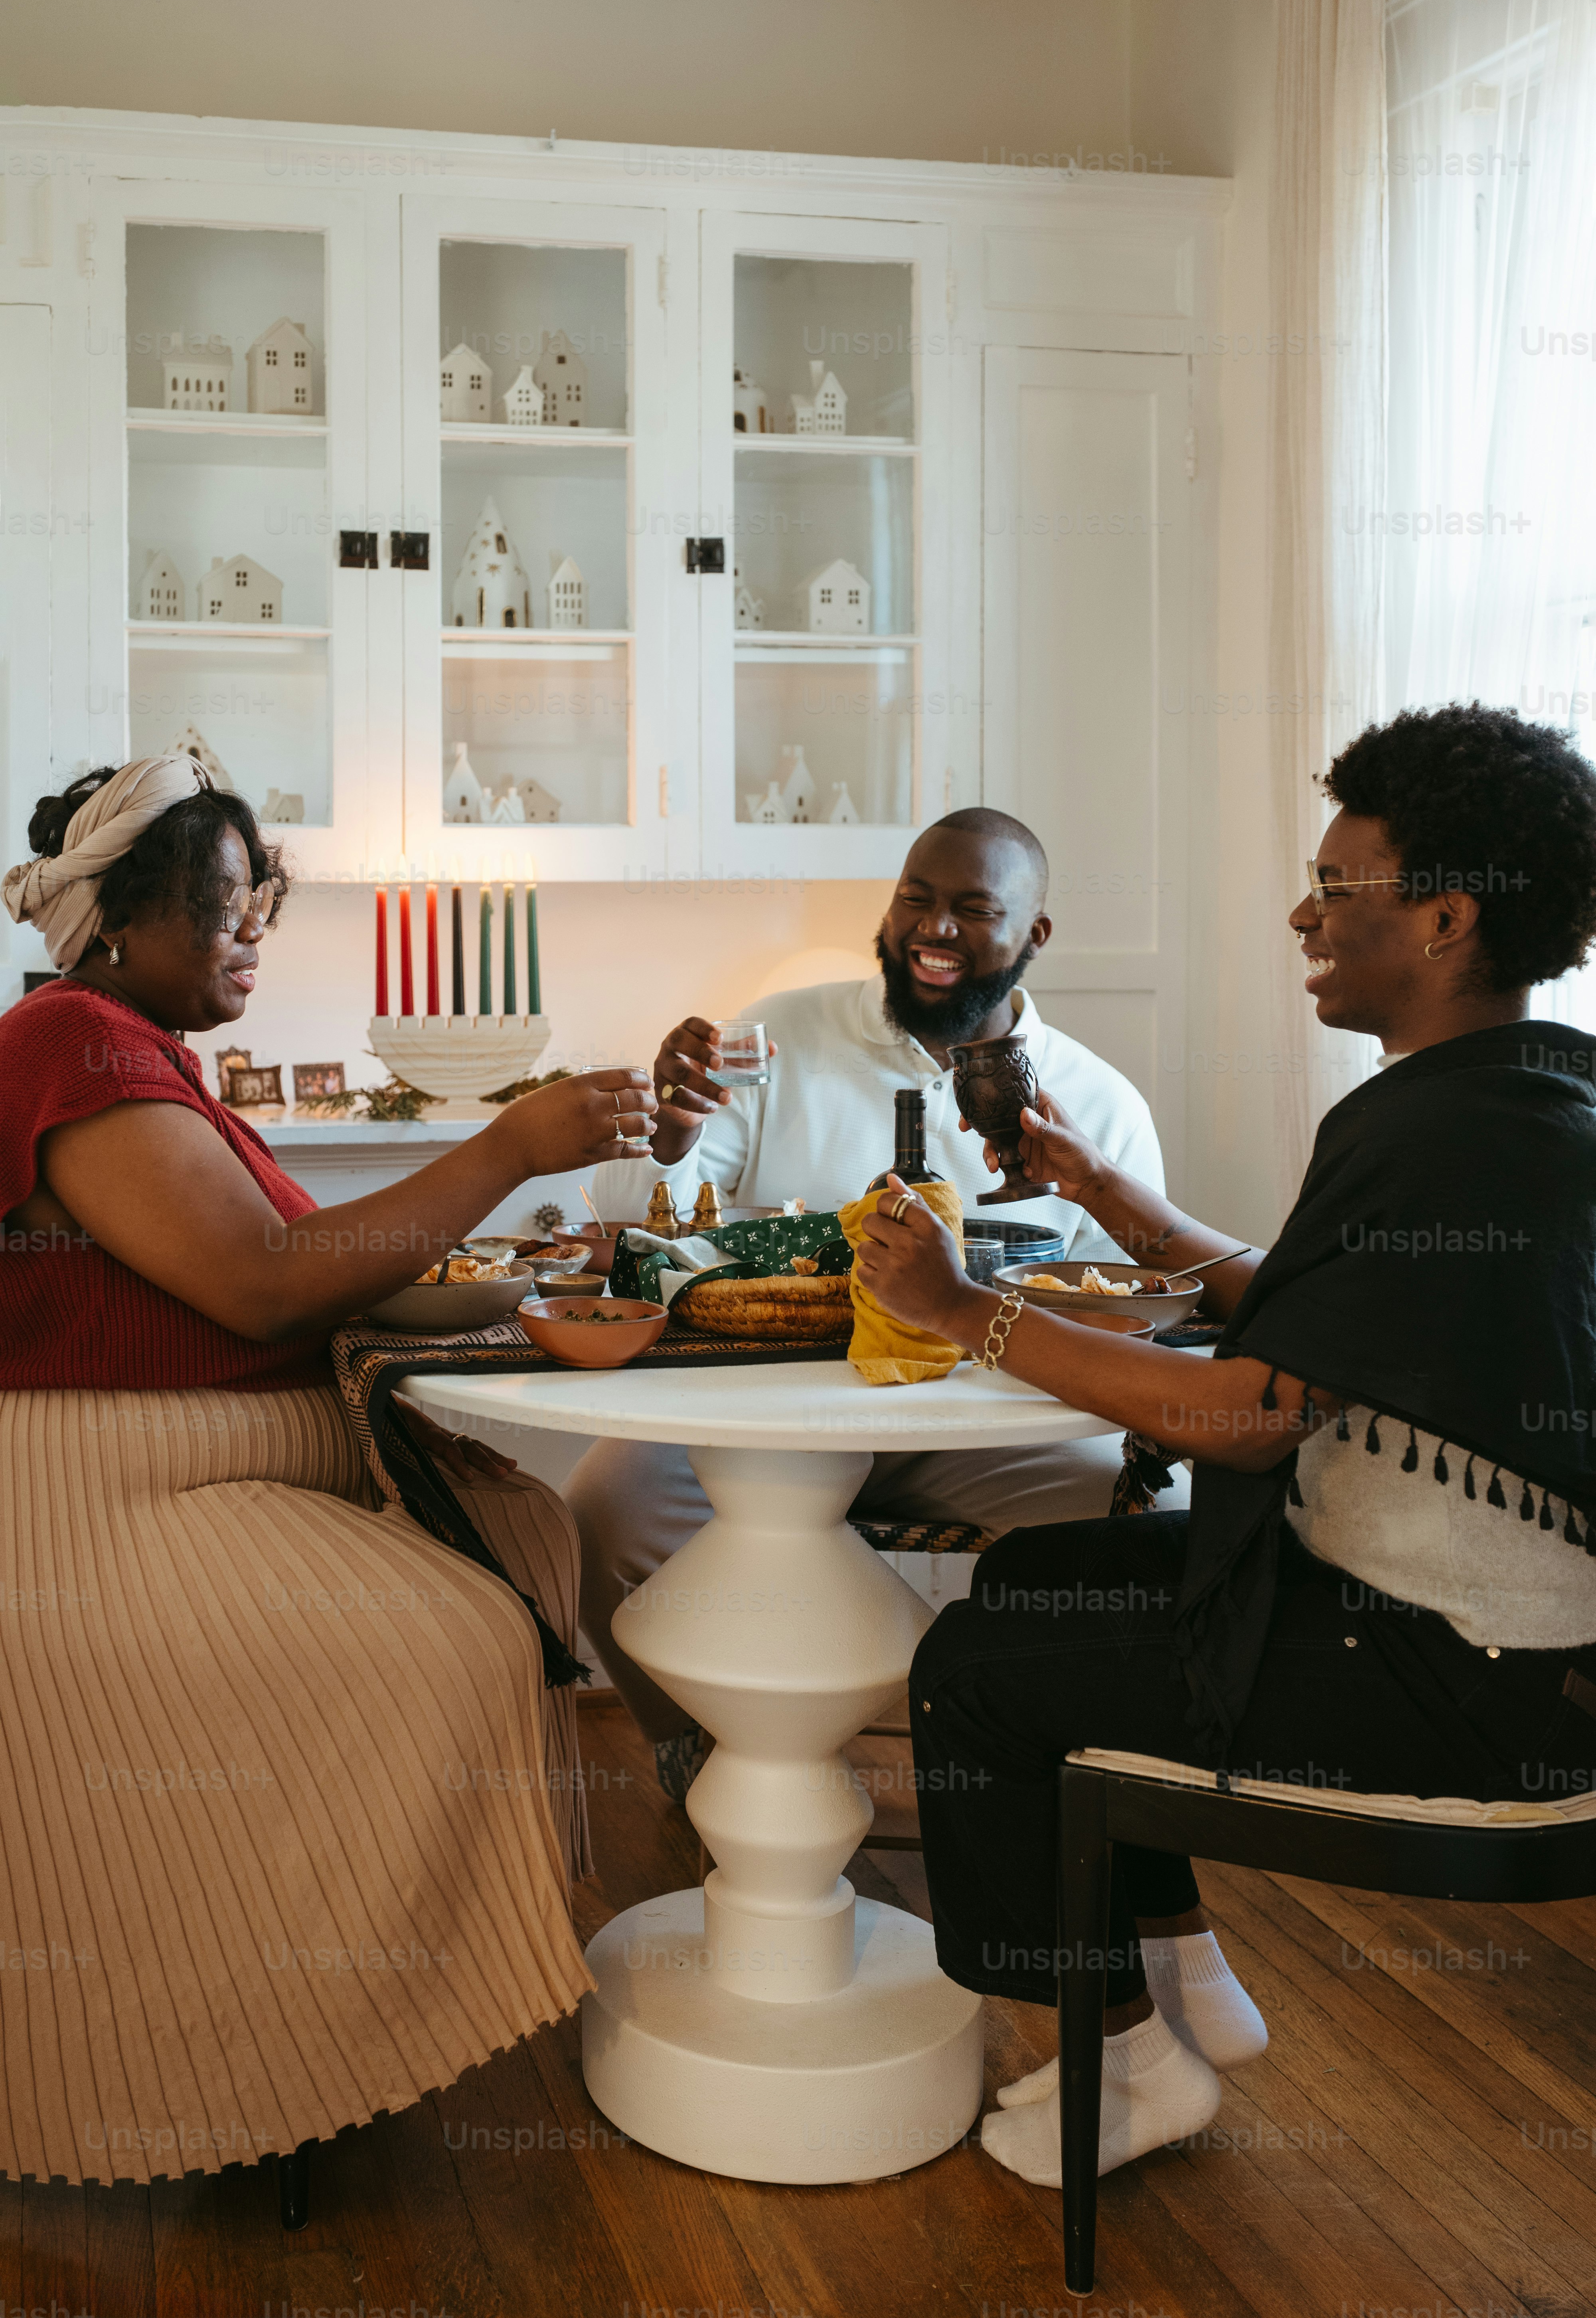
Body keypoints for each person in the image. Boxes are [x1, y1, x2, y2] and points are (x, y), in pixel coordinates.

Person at [852, 705, 1596, 2184]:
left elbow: (1249, 1419)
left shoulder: (1443, 1132)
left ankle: (1118, 2057)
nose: (1308, 916)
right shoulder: (1520, 1094)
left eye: (1343, 888)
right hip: (1467, 1634)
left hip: (1467, 1682)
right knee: (1040, 1583)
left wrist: (965, 1308)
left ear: (1444, 919)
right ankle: (1175, 1959)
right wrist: (1111, 1193)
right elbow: (1312, 1321)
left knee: (973, 1679)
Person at [0, 755, 658, 2190]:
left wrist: (527, 1273)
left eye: (261, 906)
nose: (253, 934)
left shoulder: (146, 1060)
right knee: (457, 1638)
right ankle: (288, 2035)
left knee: (532, 1529)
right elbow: (261, 1284)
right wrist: (507, 1146)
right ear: (116, 917)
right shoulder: (72, 1046)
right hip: (97, 1515)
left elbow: (334, 1280)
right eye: (227, 906)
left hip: (194, 1487)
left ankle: (353, 2009)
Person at [567, 807, 1186, 1799]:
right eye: (916, 899)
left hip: (989, 1422)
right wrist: (669, 1138)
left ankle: (1062, 1796)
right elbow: (638, 1231)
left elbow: (1127, 1300)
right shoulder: (770, 1040)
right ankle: (698, 1758)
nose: (933, 930)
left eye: (973, 910)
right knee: (598, 1517)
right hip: (764, 1416)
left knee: (1157, 1527)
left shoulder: (1097, 1100)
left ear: (1035, 936)